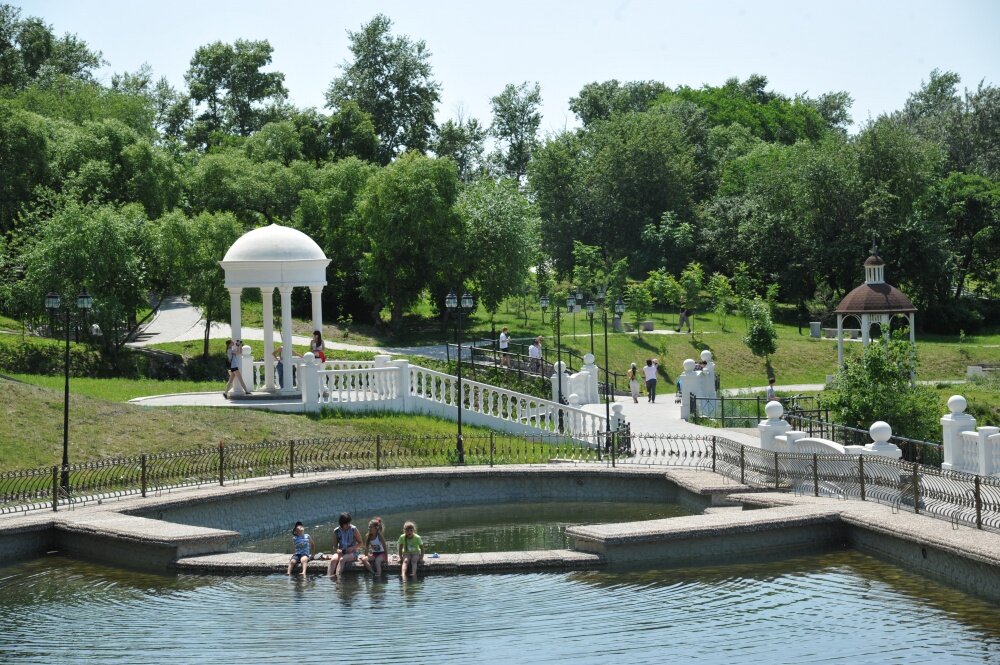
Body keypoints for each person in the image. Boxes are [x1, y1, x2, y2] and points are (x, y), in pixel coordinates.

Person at [327, 512, 363, 578]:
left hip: (352, 553)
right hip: (341, 552)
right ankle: (329, 578)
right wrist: (338, 550)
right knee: (333, 560)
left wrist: (352, 548)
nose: (348, 525)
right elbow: (334, 547)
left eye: (349, 523)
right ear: (342, 523)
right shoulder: (336, 531)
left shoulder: (353, 529)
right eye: (346, 523)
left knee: (342, 559)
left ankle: (338, 578)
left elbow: (361, 543)